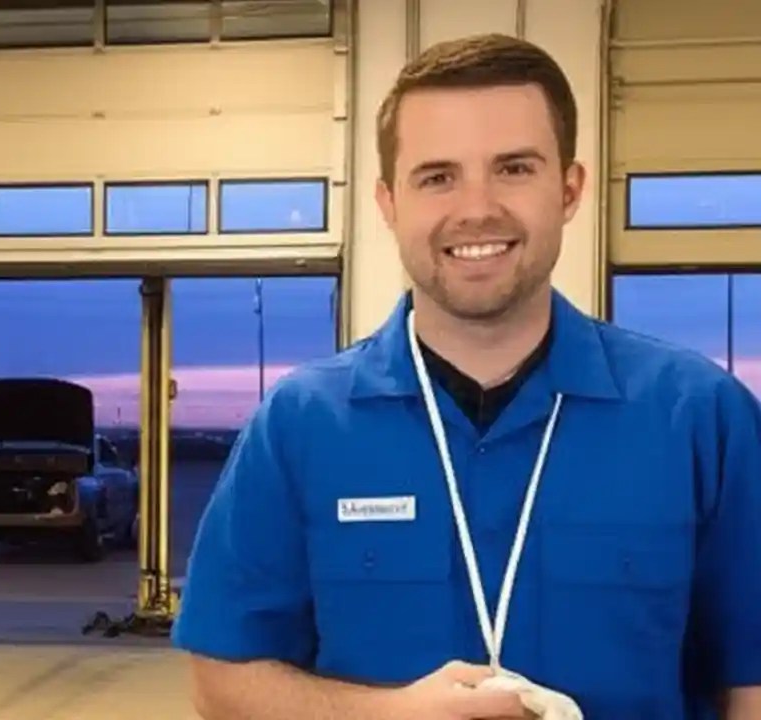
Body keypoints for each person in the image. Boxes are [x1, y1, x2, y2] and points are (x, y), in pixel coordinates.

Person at [171, 32, 761, 719]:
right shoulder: (300, 424)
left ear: (570, 189)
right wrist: (389, 715)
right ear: (389, 203)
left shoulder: (698, 417)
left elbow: (750, 682)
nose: (476, 208)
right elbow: (221, 681)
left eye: (514, 168)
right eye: (437, 176)